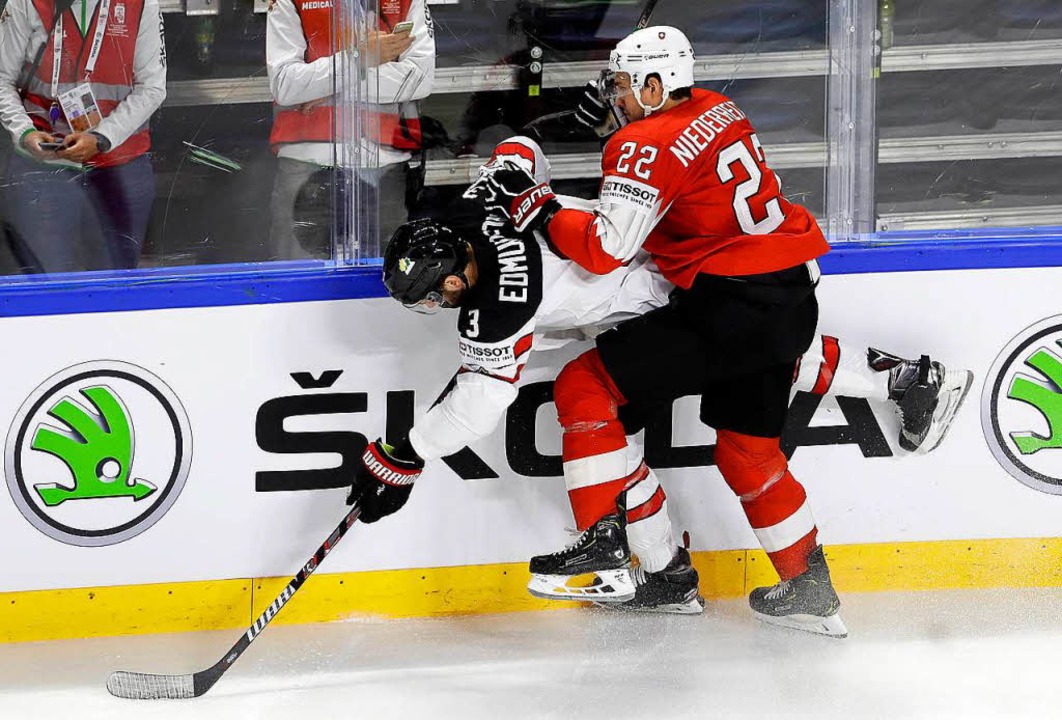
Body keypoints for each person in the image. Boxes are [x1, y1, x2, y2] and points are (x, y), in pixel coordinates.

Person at [472, 26, 973, 637]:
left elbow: (606, 249)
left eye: (627, 86)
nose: (617, 95)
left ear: (657, 86)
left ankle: (611, 553)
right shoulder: (718, 108)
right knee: (748, 452)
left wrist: (542, 208)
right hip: (788, 297)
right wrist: (621, 128)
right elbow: (681, 176)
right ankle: (808, 585)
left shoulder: (642, 141)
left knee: (584, 388)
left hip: (728, 307)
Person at [345, 136, 973, 621]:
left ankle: (629, 558)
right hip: (668, 255)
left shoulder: (499, 306)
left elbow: (479, 403)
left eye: (432, 298)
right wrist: (516, 164)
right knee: (764, 355)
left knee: (594, 395)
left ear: (453, 278)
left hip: (662, 292)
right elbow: (520, 152)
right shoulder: (474, 205)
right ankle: (909, 383)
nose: (434, 309)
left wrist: (406, 452)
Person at [0, 0, 167, 273]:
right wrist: (24, 132)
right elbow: (2, 78)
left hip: (119, 167)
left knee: (116, 285)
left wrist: (101, 138)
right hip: (43, 165)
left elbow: (152, 87)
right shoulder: (27, 2)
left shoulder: (140, 3)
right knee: (46, 284)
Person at [267, 0, 435, 260]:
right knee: (296, 285)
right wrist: (360, 59)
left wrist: (329, 89)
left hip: (385, 162)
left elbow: (420, 79)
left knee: (391, 284)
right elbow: (285, 84)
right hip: (307, 161)